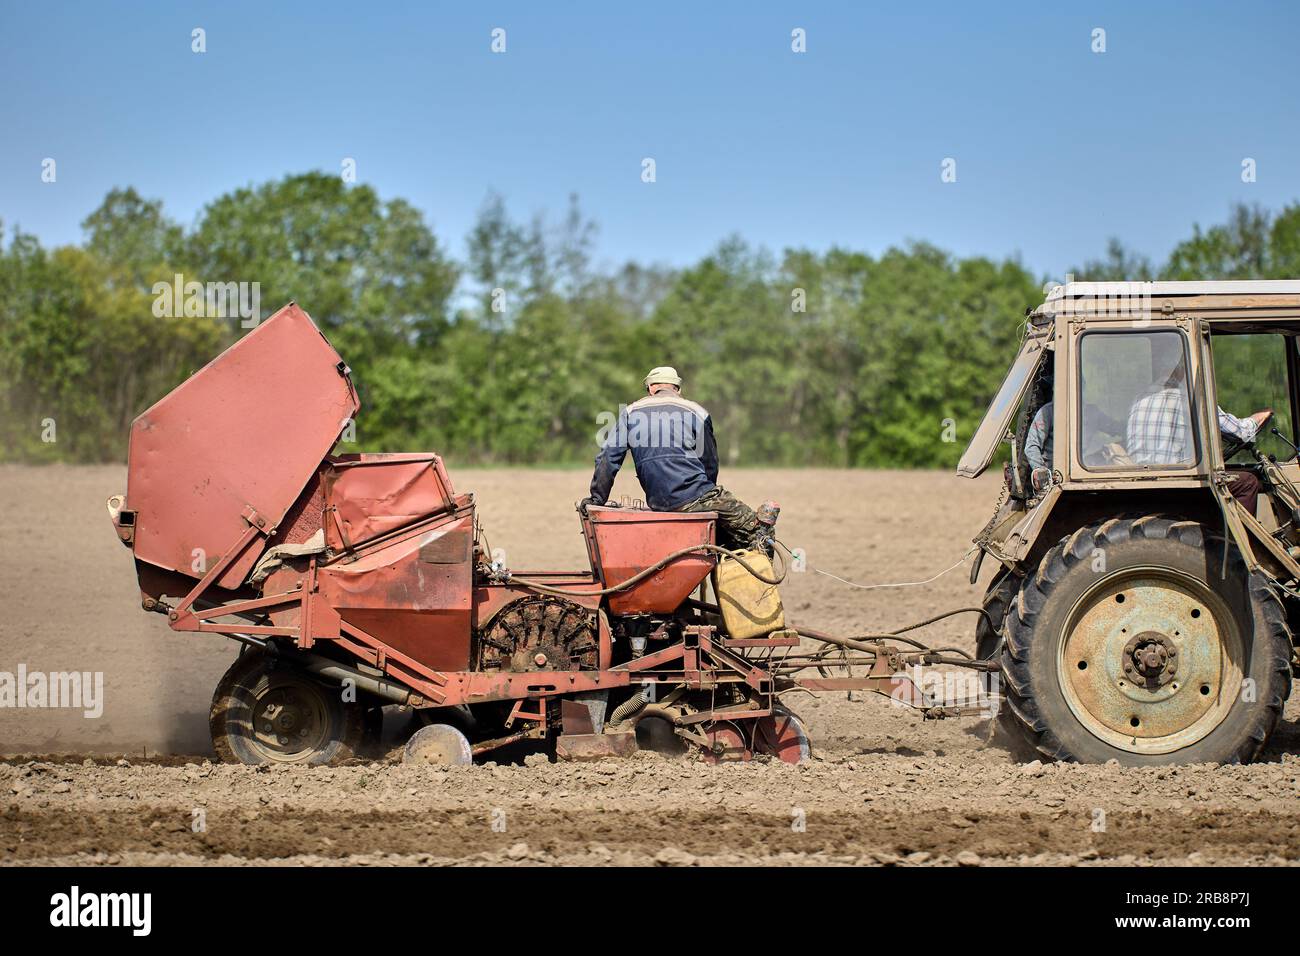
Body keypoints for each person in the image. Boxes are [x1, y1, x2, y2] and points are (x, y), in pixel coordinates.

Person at [583, 366, 763, 550]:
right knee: (759, 530)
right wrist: (705, 499)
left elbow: (608, 459)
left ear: (651, 389)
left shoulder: (630, 412)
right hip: (696, 497)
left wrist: (597, 499)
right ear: (677, 389)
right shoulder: (697, 412)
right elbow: (710, 463)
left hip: (659, 503)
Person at [1126, 351, 1270, 513]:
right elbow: (1239, 432)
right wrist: (1259, 418)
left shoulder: (1139, 399)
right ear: (1181, 368)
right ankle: (1237, 539)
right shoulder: (1188, 398)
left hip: (1144, 484)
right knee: (1248, 482)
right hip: (1177, 485)